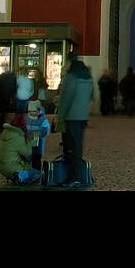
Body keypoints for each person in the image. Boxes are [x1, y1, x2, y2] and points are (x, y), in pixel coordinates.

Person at [57, 56, 94, 188]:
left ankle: (72, 177)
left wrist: (59, 116)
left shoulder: (71, 78)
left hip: (71, 116)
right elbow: (92, 98)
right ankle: (77, 175)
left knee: (70, 147)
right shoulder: (88, 79)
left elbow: (66, 99)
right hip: (82, 117)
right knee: (78, 146)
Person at [0, 114, 42, 185]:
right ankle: (19, 176)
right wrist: (34, 139)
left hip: (0, 166)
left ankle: (16, 176)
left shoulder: (7, 132)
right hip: (10, 167)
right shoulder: (18, 136)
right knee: (37, 174)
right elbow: (28, 153)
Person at [26, 99, 52, 171]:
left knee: (36, 160)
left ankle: (36, 174)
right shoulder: (27, 119)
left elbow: (45, 130)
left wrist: (36, 134)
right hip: (27, 143)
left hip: (37, 143)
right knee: (26, 159)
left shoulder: (42, 120)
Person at [0, 66, 18, 131]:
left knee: (2, 113)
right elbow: (15, 88)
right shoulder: (13, 77)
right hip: (10, 98)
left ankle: (1, 128)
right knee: (10, 113)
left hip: (1, 98)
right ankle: (10, 127)